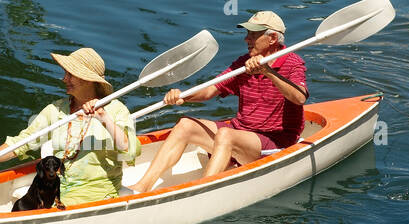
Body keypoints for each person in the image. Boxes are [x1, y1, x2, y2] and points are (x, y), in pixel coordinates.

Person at [129, 10, 307, 193]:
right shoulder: (243, 63)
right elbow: (209, 91)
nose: (247, 39)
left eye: (253, 35)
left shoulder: (292, 63)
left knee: (225, 135)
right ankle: (141, 188)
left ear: (273, 38)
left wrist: (267, 71)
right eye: (247, 34)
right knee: (185, 125)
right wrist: (182, 96)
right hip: (242, 134)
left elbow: (299, 97)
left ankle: (201, 192)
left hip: (277, 142)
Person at [0, 47, 141, 207]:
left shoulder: (115, 110)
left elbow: (128, 150)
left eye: (71, 74)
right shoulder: (56, 110)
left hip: (95, 190)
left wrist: (103, 118)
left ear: (88, 80)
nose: (64, 79)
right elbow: (21, 142)